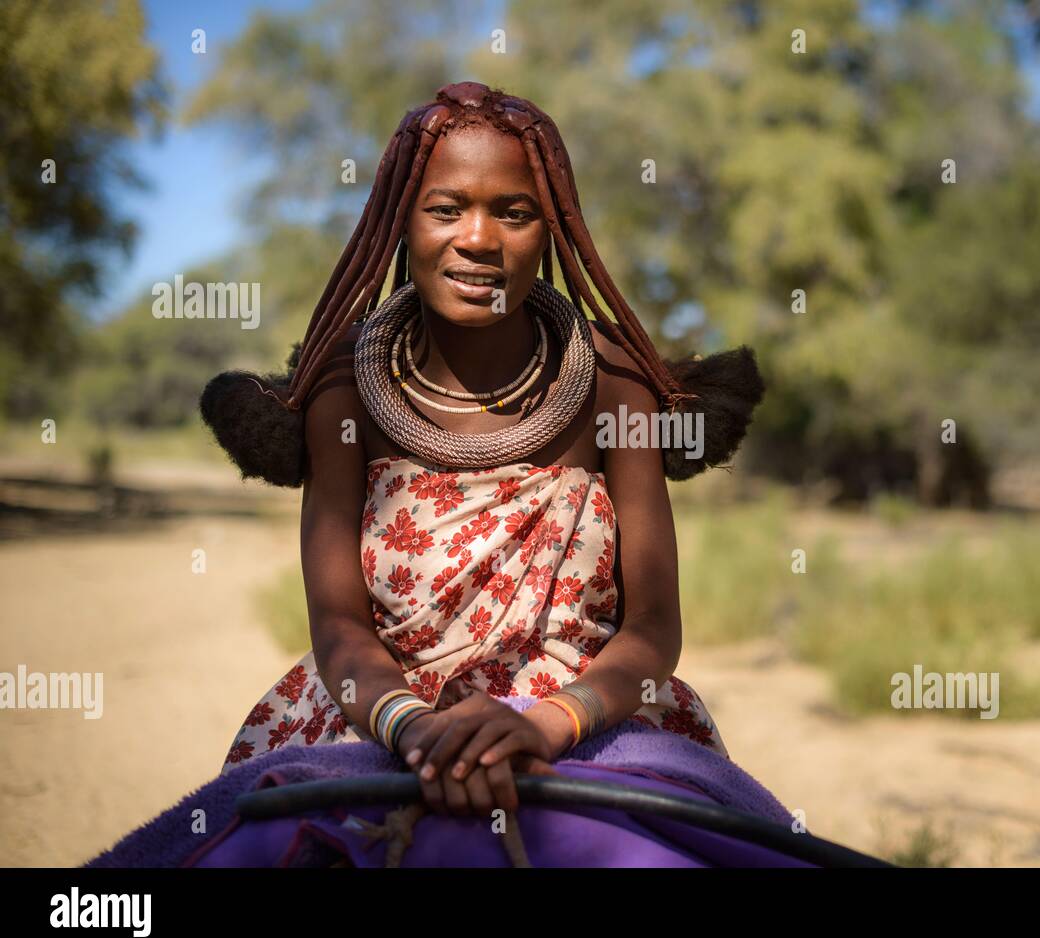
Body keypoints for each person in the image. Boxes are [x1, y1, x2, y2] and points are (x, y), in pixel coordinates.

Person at [201, 81, 765, 823]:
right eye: (445, 208)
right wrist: (418, 731)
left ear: (552, 230)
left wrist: (547, 723)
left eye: (514, 211)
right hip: (380, 716)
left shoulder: (615, 380)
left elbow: (655, 629)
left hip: (587, 722)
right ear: (401, 222)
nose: (478, 238)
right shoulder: (343, 387)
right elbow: (338, 626)